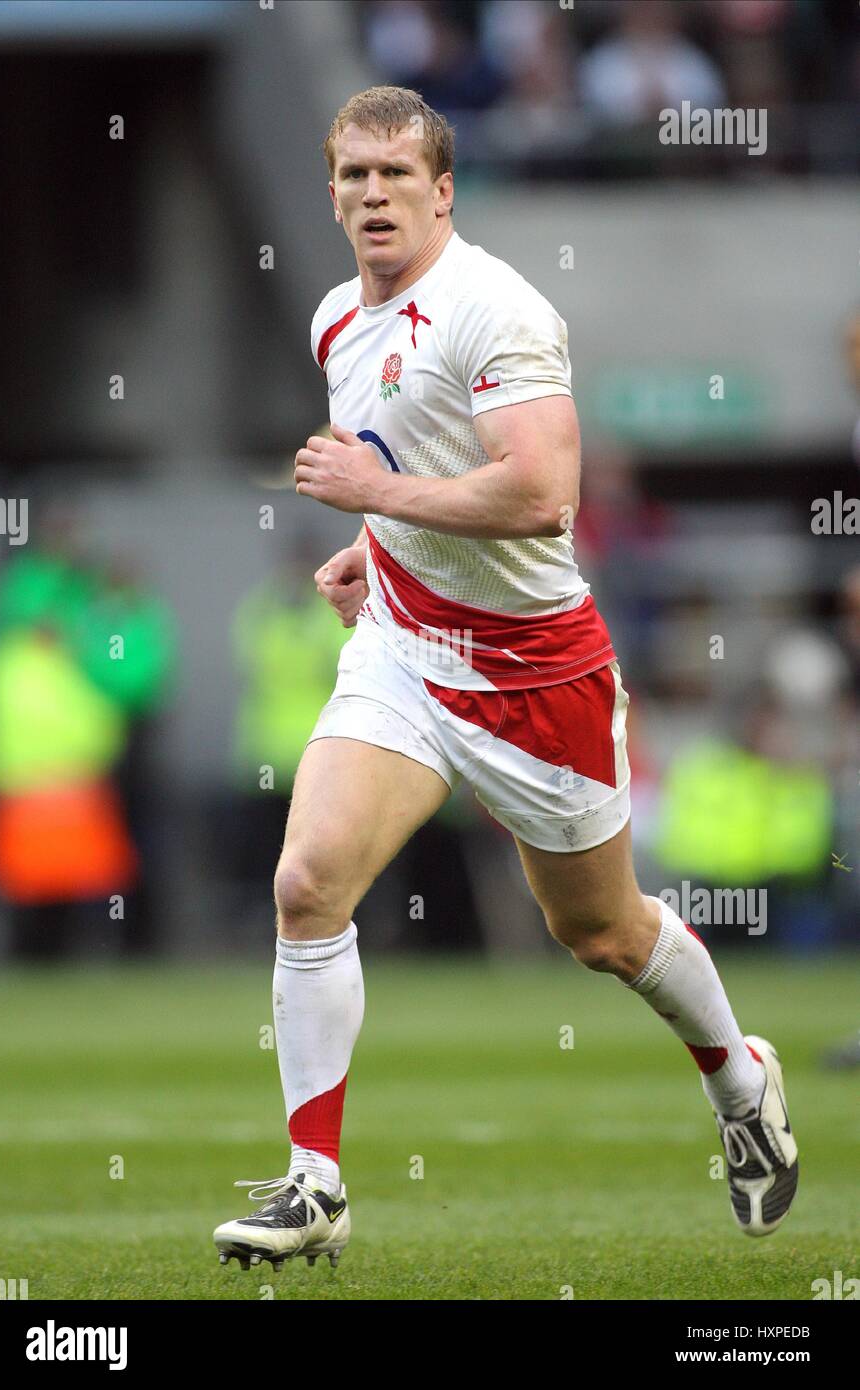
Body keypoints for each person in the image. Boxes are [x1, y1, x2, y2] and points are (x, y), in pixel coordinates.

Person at [213, 86, 797, 1274]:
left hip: (536, 675)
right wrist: (370, 552)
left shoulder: (495, 309)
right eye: (351, 176)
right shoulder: (337, 315)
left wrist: (372, 502)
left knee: (598, 931)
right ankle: (313, 1181)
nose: (371, 194)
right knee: (308, 881)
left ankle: (740, 1081)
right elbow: (406, 469)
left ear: (441, 188)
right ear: (330, 193)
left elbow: (539, 495)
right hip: (404, 649)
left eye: (394, 175)